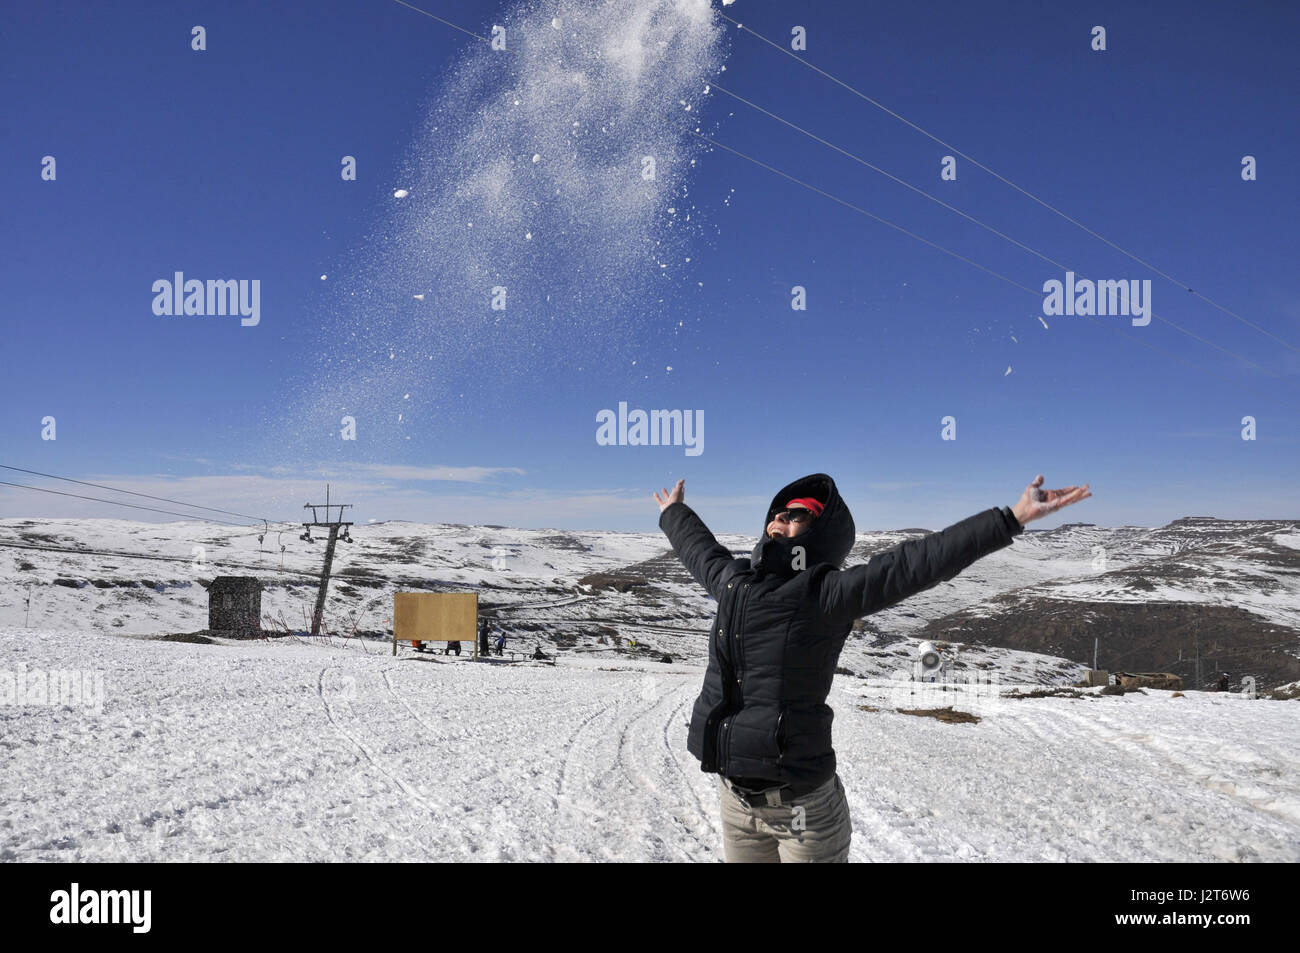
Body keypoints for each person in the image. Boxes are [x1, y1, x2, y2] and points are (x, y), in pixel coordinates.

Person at [653, 472, 1090, 863]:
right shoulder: (736, 584)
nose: (781, 520)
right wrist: (675, 513)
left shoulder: (826, 593)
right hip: (736, 805)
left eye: (797, 515)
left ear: (820, 532)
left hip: (801, 809)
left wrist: (1011, 517)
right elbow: (700, 552)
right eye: (778, 514)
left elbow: (915, 564)